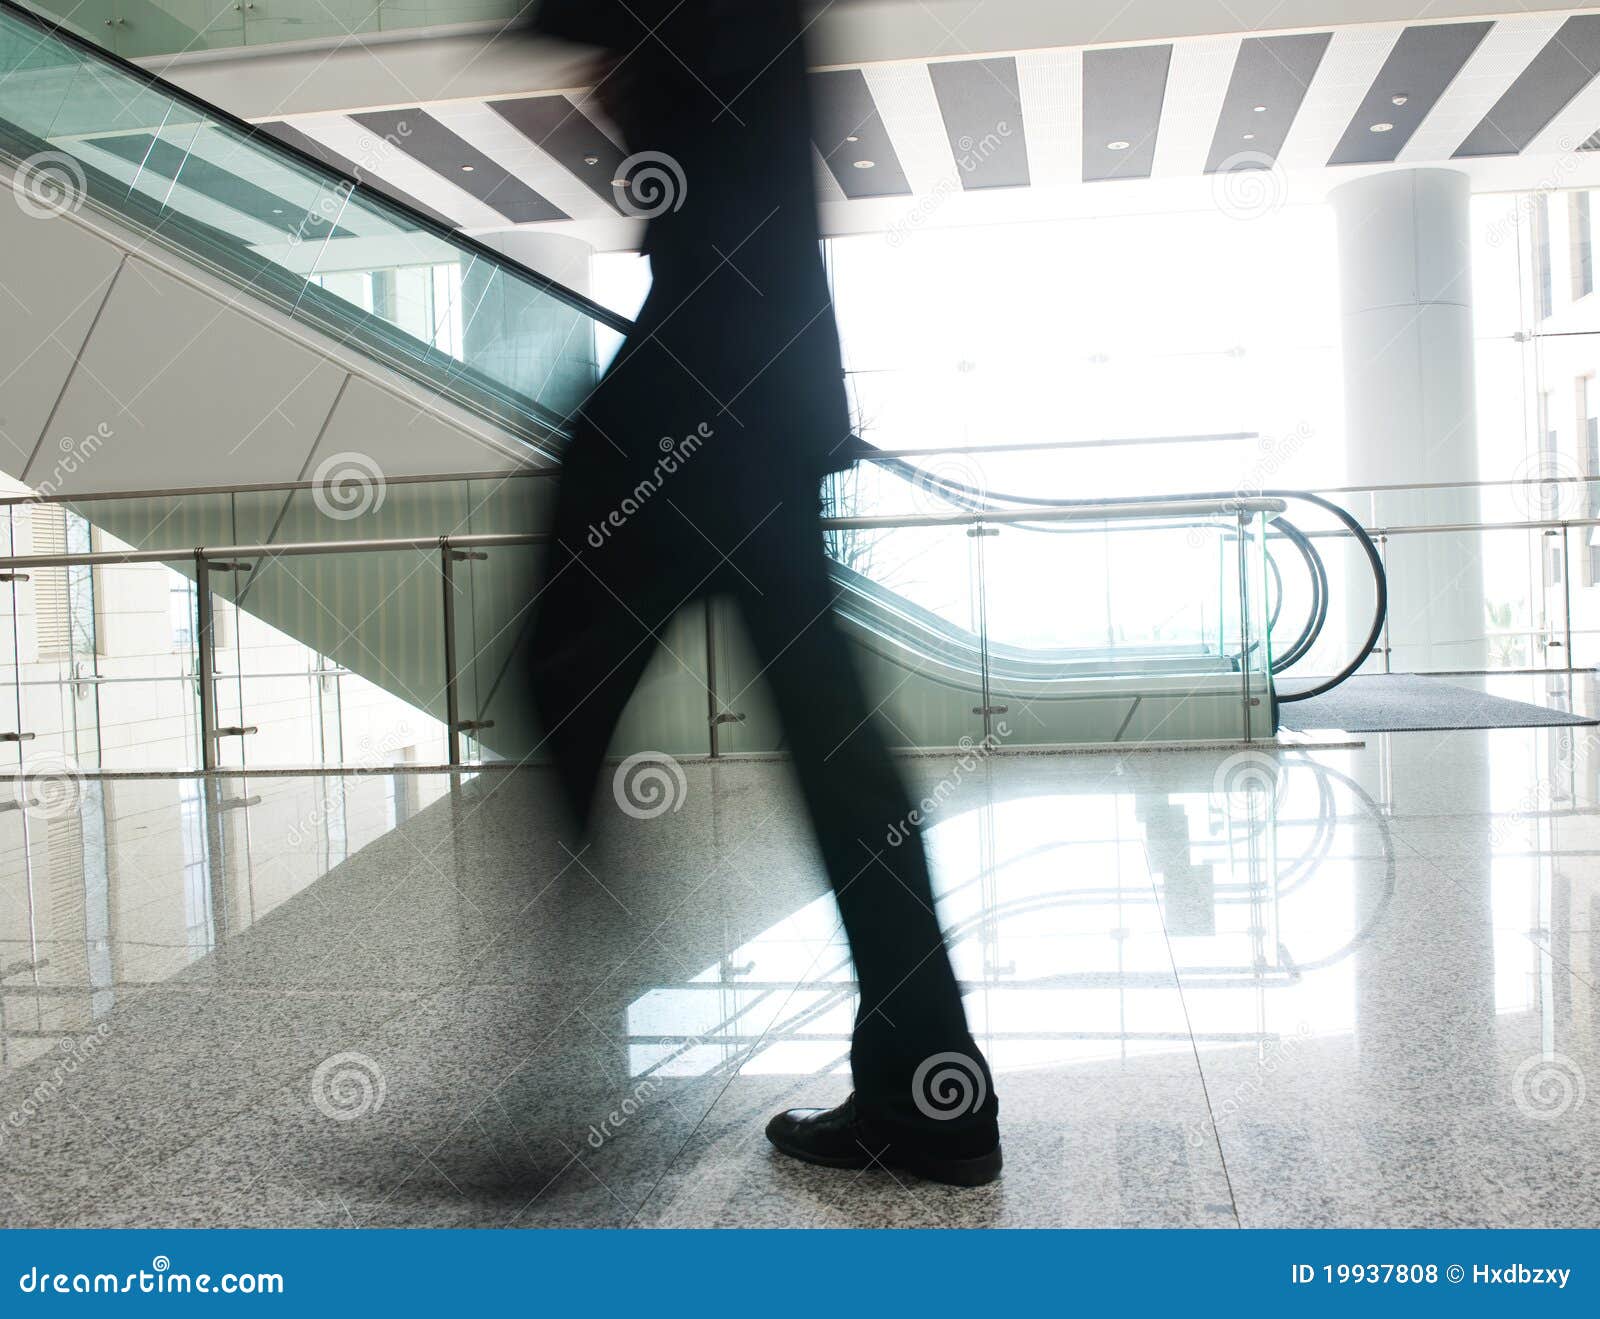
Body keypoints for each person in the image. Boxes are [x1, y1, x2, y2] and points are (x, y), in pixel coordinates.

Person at [526, 0, 1000, 1186]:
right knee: (831, 743)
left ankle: (555, 1104)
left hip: (706, 368)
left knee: (565, 672)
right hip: (750, 364)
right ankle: (927, 1083)